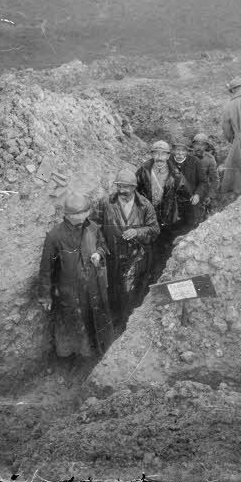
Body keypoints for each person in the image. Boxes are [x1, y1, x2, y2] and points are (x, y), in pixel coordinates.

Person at [37, 193, 114, 362]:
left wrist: (99, 254)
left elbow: (103, 245)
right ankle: (75, 358)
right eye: (77, 214)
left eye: (84, 212)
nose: (81, 216)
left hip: (92, 285)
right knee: (76, 323)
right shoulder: (55, 236)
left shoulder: (93, 227)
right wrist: (45, 296)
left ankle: (99, 351)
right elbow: (46, 269)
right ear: (67, 215)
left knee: (95, 318)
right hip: (70, 291)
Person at [91, 169, 160, 331]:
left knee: (131, 292)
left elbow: (155, 229)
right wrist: (100, 246)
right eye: (119, 186)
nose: (122, 190)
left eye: (127, 187)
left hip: (136, 258)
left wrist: (137, 232)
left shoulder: (144, 205)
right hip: (111, 255)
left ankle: (128, 326)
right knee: (112, 290)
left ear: (134, 187)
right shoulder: (105, 203)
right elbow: (93, 225)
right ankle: (113, 323)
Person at [136, 140, 189, 284]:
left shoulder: (176, 175)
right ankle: (145, 277)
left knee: (163, 250)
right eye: (156, 153)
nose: (159, 157)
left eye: (163, 154)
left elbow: (185, 199)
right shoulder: (143, 171)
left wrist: (182, 224)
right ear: (152, 154)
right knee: (147, 249)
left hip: (167, 220)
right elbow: (135, 193)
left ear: (168, 156)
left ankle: (158, 276)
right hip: (147, 218)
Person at [171, 137, 203, 234]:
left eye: (183, 150)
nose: (180, 153)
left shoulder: (195, 162)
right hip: (172, 201)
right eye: (178, 150)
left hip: (190, 200)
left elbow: (203, 182)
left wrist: (197, 194)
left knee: (191, 225)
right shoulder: (168, 161)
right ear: (173, 150)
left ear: (187, 152)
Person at [191, 133, 220, 222]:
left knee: (200, 215)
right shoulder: (186, 156)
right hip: (188, 188)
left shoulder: (209, 160)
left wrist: (209, 196)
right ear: (193, 145)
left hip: (202, 190)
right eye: (197, 144)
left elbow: (215, 180)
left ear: (206, 146)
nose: (199, 147)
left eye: (202, 145)